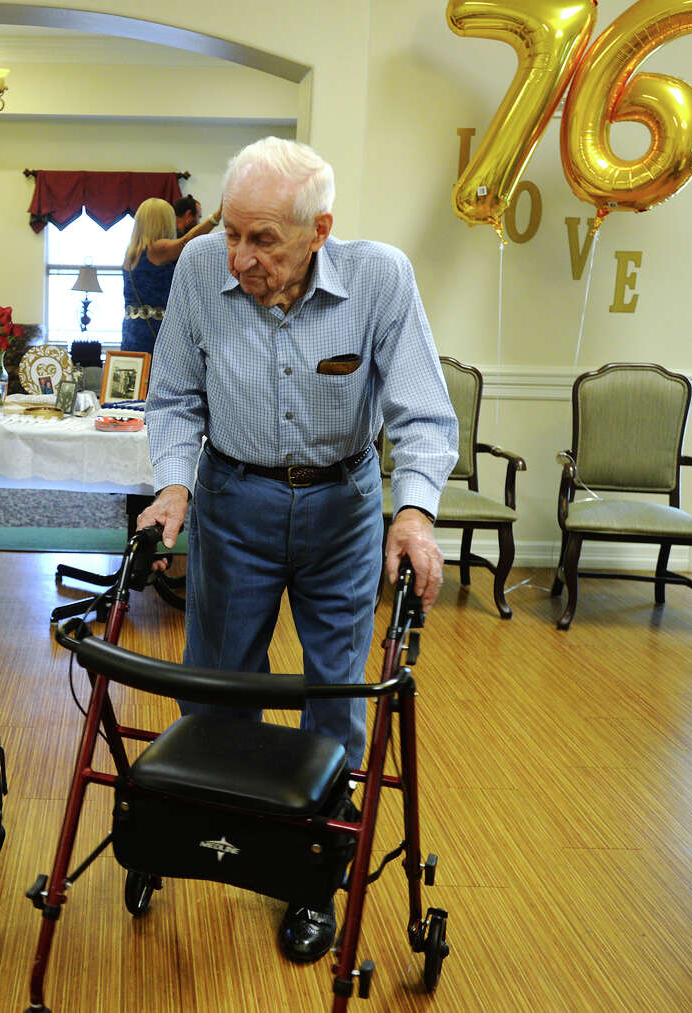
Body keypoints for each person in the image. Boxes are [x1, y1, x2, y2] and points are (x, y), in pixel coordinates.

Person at [138, 136, 458, 964]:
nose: (238, 257)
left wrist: (414, 512)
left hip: (343, 506)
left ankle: (313, 869)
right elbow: (172, 398)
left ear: (320, 228)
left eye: (262, 241)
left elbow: (422, 412)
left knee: (336, 692)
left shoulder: (380, 278)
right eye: (231, 233)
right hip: (234, 497)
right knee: (216, 682)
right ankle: (202, 837)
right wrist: (174, 485)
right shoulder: (201, 269)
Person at [121, 197, 221, 356]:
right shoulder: (157, 249)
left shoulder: (131, 254)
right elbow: (186, 241)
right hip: (156, 332)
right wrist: (216, 217)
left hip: (131, 331)